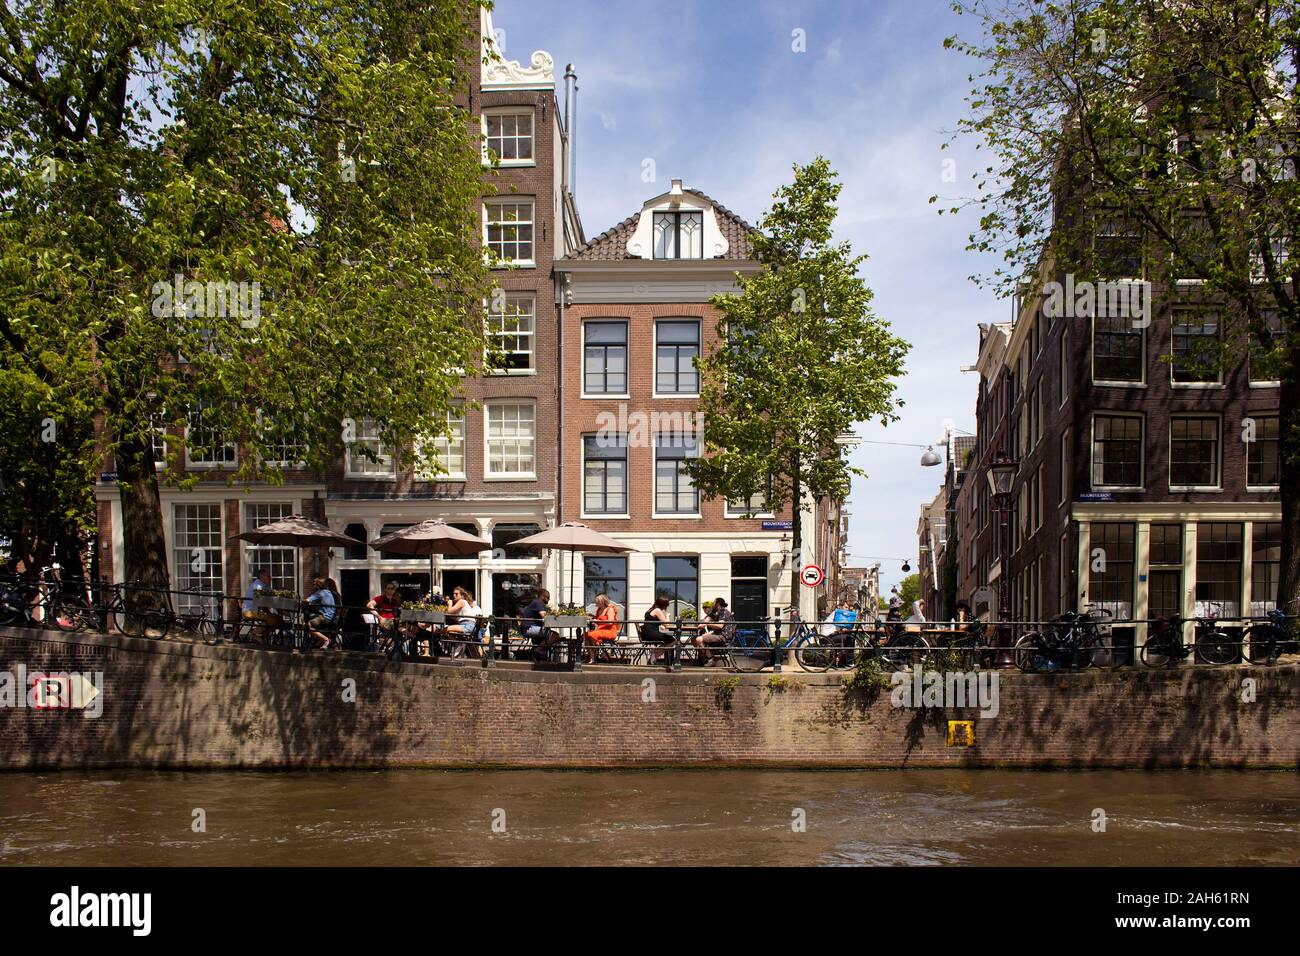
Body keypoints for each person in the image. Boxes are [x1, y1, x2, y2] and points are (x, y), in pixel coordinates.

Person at [241, 568, 283, 642]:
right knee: (272, 620)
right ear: (262, 577)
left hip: (258, 610)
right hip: (249, 611)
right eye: (268, 576)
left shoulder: (266, 586)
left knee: (279, 620)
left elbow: (271, 598)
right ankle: (254, 633)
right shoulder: (257, 586)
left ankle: (262, 636)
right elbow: (261, 601)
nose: (270, 578)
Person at [442, 587, 484, 657]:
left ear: (461, 595)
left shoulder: (462, 602)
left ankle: (458, 645)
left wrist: (449, 604)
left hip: (468, 626)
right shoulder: (461, 603)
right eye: (453, 594)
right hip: (467, 625)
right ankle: (459, 644)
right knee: (446, 630)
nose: (454, 595)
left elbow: (449, 612)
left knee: (445, 629)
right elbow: (454, 617)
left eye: (456, 594)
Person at [695, 596, 734, 665]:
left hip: (723, 637)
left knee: (699, 639)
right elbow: (720, 627)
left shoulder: (723, 611)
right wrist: (710, 632)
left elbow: (720, 626)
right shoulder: (721, 612)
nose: (713, 605)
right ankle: (706, 659)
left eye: (714, 603)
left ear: (718, 604)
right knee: (701, 637)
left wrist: (707, 623)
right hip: (722, 635)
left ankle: (709, 659)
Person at [584, 592, 620, 663]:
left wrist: (597, 621)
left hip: (609, 631)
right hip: (600, 630)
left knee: (591, 635)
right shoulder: (599, 610)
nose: (595, 603)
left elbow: (610, 622)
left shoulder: (610, 609)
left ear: (602, 601)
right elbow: (597, 619)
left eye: (597, 601)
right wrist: (591, 617)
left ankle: (595, 655)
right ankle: (592, 656)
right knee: (585, 635)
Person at [304, 576, 338, 650]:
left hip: (325, 617)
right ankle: (316, 641)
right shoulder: (328, 592)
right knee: (311, 618)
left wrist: (302, 602)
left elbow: (307, 600)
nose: (313, 586)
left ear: (318, 585)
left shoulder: (319, 593)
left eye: (314, 585)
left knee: (307, 625)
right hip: (331, 617)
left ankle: (325, 640)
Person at [639, 596, 672, 663]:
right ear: (663, 604)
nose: (666, 607)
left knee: (669, 639)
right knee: (674, 641)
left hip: (646, 634)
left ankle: (654, 655)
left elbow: (661, 625)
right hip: (651, 634)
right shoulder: (657, 610)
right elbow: (667, 625)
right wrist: (667, 616)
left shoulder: (650, 610)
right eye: (666, 605)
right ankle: (654, 654)